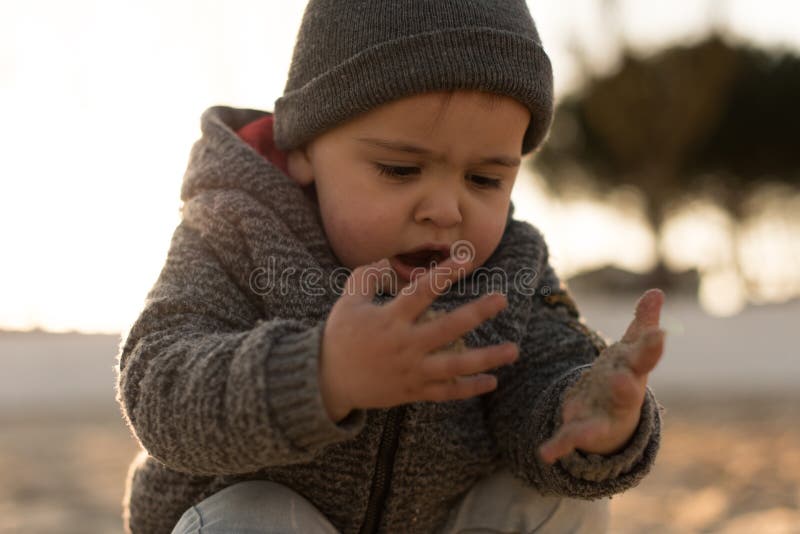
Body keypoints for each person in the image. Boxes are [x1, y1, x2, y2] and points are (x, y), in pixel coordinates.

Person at [114, 1, 666, 533]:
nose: (447, 210)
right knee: (254, 515)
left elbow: (543, 374)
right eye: (401, 169)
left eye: (484, 179)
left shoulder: (508, 268)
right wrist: (321, 374)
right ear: (304, 147)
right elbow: (157, 383)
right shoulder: (235, 231)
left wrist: (584, 413)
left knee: (559, 505)